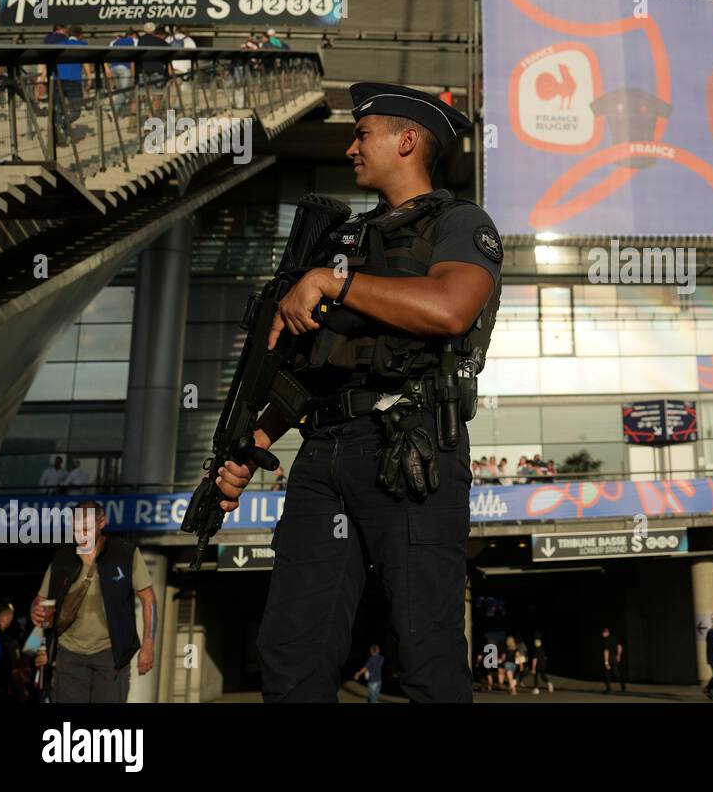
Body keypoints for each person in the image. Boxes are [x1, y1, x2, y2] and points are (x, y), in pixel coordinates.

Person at [211, 82, 503, 703]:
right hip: (324, 455)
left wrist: (330, 283)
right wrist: (252, 442)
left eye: (361, 135)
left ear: (406, 141)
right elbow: (310, 371)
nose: (349, 148)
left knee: (426, 651)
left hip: (409, 451)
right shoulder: (343, 240)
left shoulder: (460, 223)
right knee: (293, 650)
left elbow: (451, 308)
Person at [29, 501, 156, 703]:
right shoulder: (62, 559)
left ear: (101, 523)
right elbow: (41, 600)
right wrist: (35, 609)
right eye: (77, 528)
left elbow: (148, 598)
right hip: (69, 654)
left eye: (86, 528)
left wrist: (148, 644)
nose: (81, 534)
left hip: (111, 654)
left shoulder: (125, 553)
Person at [136, 22, 170, 118]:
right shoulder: (161, 42)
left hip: (142, 71)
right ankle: (151, 117)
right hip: (158, 70)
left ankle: (140, 115)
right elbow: (168, 56)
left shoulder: (139, 41)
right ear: (154, 30)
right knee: (157, 96)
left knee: (142, 95)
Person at [107, 28, 138, 120]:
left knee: (121, 91)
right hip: (126, 68)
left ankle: (117, 113)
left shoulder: (114, 42)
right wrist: (133, 74)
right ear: (133, 35)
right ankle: (113, 111)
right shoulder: (134, 41)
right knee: (125, 92)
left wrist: (108, 69)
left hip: (114, 67)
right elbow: (134, 57)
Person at [601, 626, 626, 693]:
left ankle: (609, 689)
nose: (602, 634)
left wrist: (606, 662)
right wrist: (618, 655)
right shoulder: (614, 638)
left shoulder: (605, 640)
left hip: (609, 658)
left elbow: (606, 651)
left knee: (607, 673)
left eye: (604, 632)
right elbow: (620, 647)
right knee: (616, 672)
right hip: (614, 657)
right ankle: (623, 687)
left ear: (607, 633)